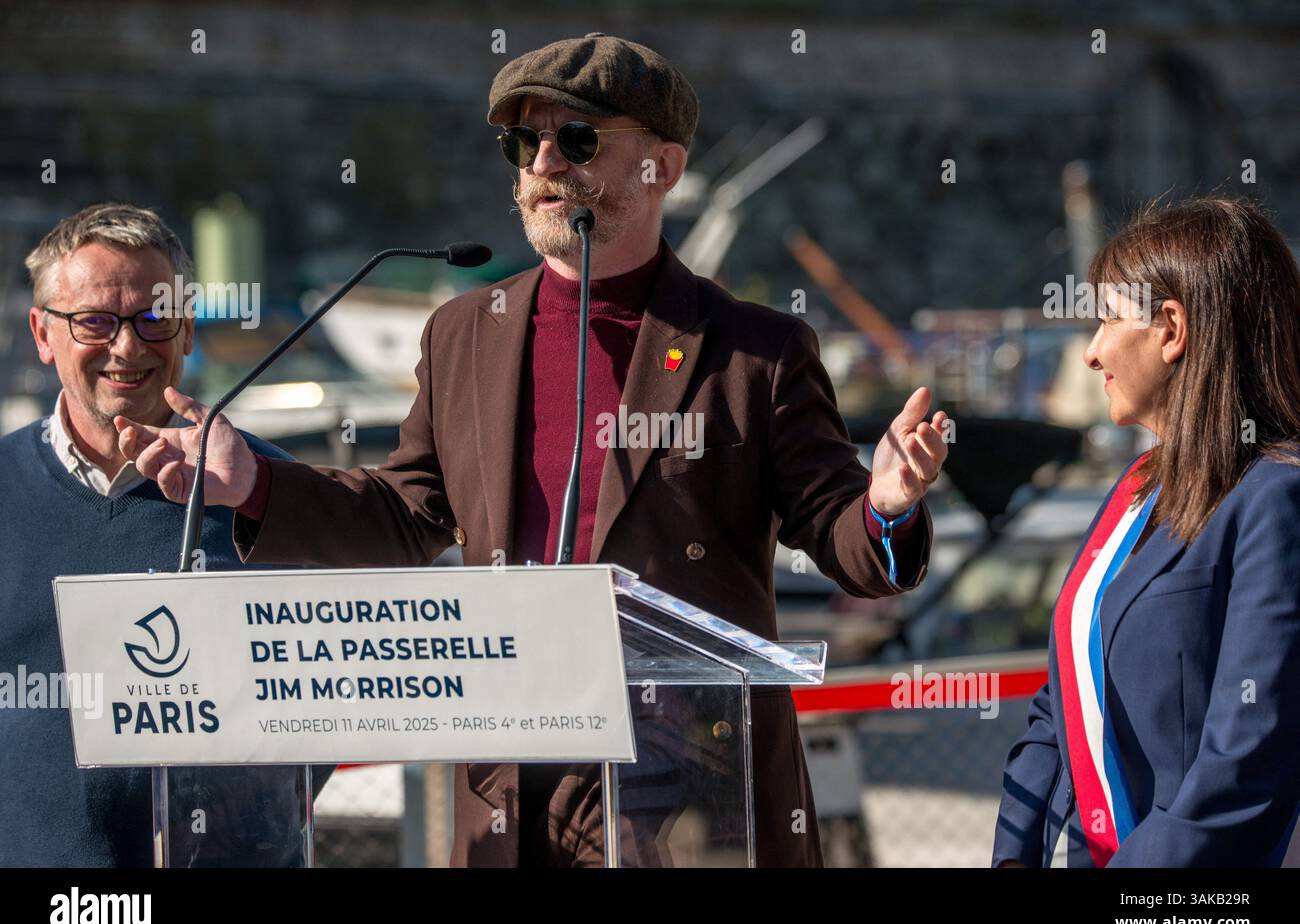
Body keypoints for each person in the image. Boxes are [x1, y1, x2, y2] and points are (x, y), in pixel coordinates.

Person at [118, 34, 949, 867]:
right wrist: (257, 482)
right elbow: (410, 517)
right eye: (525, 143)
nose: (544, 162)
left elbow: (845, 539)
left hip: (696, 790)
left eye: (578, 139)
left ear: (662, 165)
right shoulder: (461, 334)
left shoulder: (756, 349)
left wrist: (886, 507)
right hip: (510, 793)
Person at [0, 203, 326, 866]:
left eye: (154, 317)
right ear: (41, 332)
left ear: (185, 330)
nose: (128, 345)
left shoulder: (271, 492)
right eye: (96, 320)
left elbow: (325, 699)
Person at [994, 196, 1300, 867]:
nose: (1093, 351)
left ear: (1171, 328)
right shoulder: (1136, 486)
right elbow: (1063, 697)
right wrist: (1014, 854)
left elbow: (1245, 763)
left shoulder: (1275, 499)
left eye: (1106, 318)